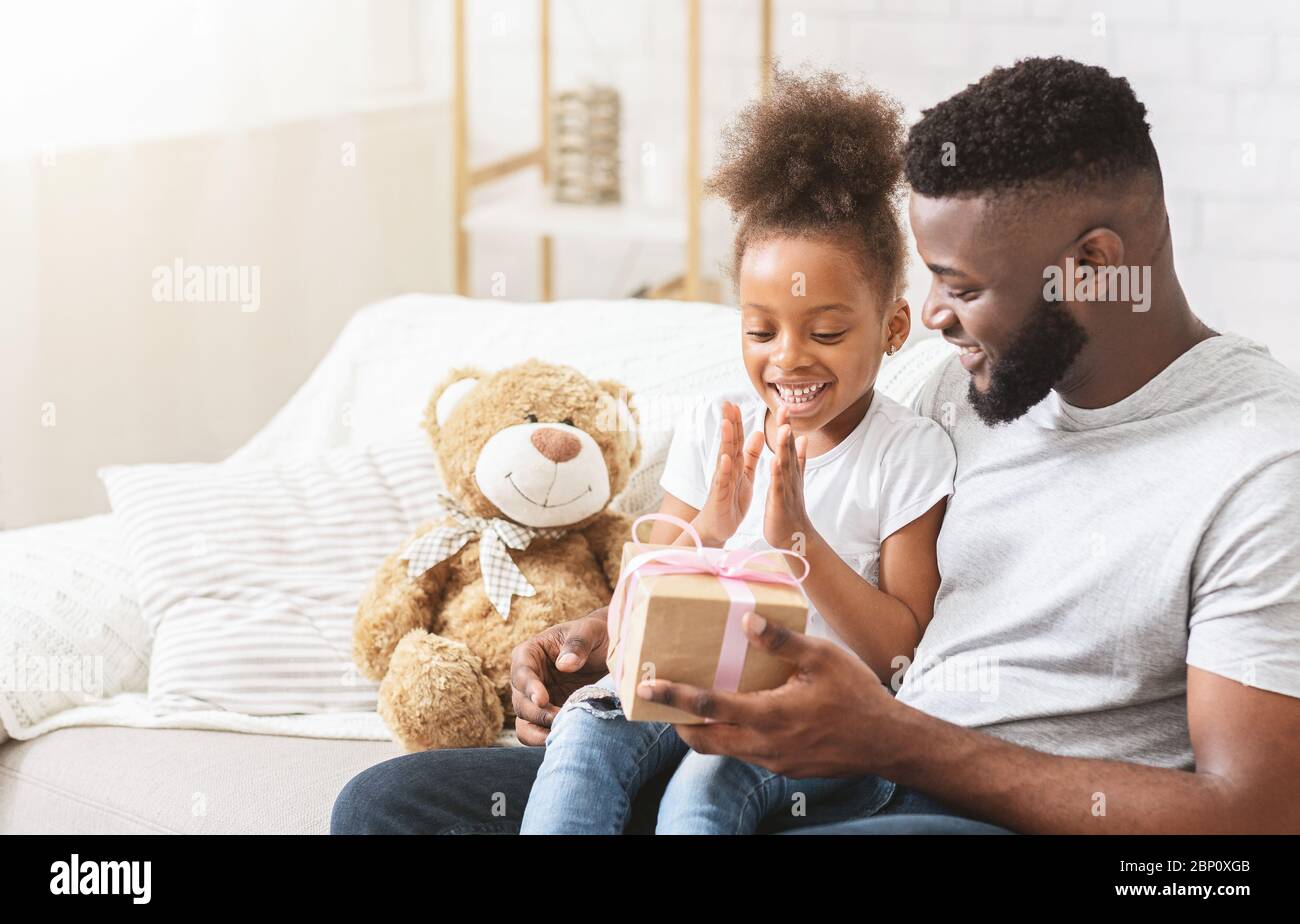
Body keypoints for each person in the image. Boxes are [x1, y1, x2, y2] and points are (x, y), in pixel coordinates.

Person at [331, 57, 1300, 835]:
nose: (927, 316)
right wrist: (607, 635)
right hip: (805, 757)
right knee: (388, 809)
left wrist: (889, 738)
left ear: (1091, 267)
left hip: (961, 805)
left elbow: (1253, 820)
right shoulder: (946, 386)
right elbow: (750, 551)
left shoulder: (1259, 468)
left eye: (961, 287)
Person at [520, 70, 957, 834]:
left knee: (706, 785)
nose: (789, 359)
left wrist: (797, 541)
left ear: (891, 330)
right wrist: (710, 533)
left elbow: (900, 655)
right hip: (688, 681)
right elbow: (639, 607)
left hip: (811, 716)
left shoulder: (908, 454)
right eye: (761, 331)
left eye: (825, 332)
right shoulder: (713, 428)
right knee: (586, 733)